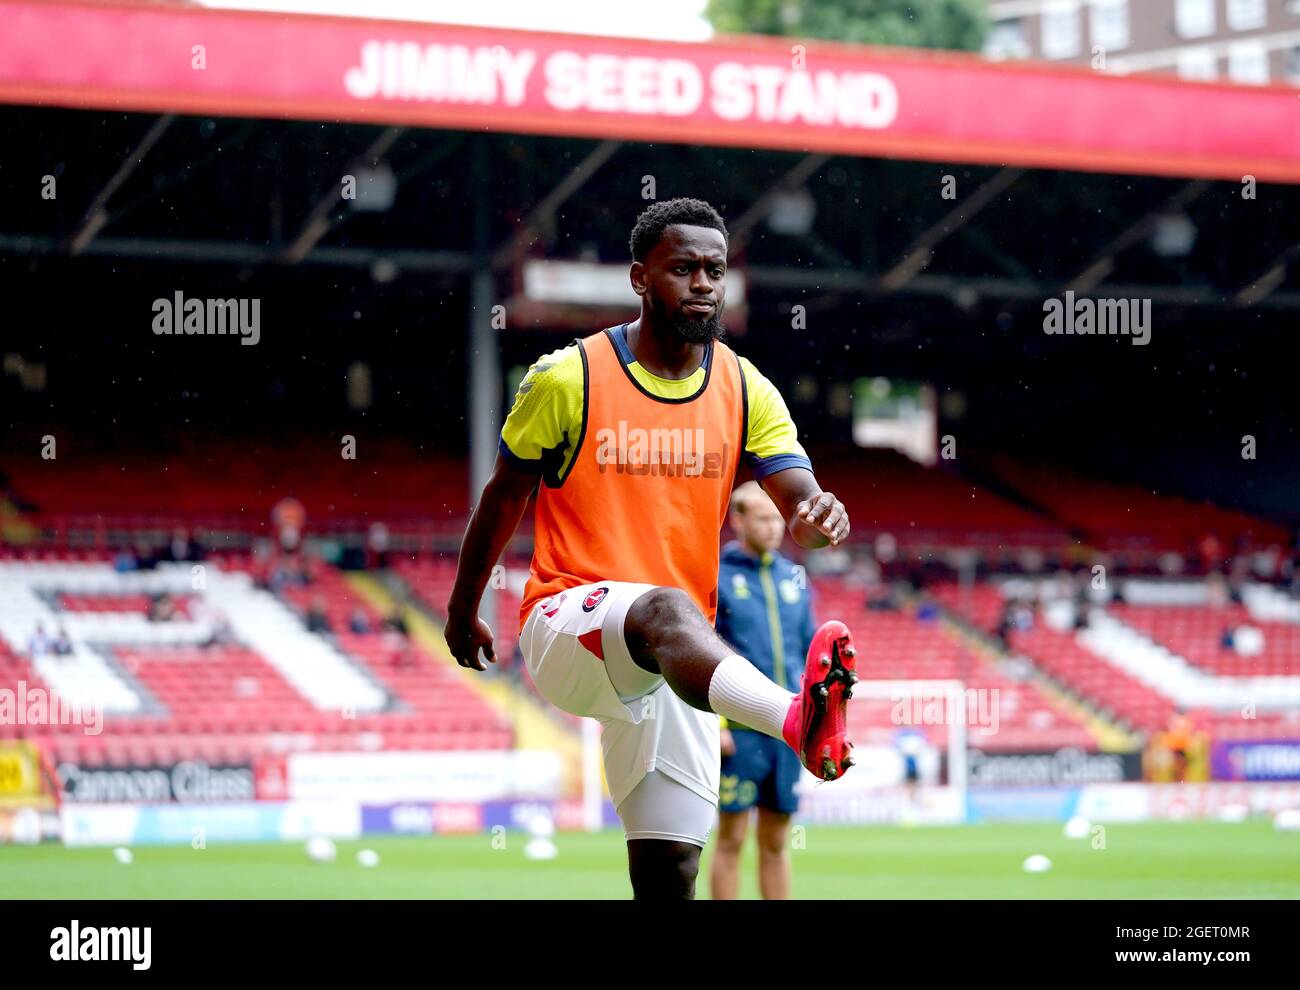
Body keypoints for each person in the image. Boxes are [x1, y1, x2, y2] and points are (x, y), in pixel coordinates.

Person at [445, 198, 857, 900]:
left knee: (671, 872)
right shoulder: (565, 377)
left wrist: (817, 516)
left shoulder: (743, 385)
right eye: (684, 269)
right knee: (666, 609)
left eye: (715, 271)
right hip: (568, 624)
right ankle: (798, 718)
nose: (703, 283)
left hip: (674, 658)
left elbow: (799, 501)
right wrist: (462, 608)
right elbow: (502, 497)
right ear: (640, 278)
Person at [709, 482, 816, 901]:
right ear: (738, 520)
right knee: (731, 838)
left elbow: (811, 653)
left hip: (787, 730)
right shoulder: (717, 573)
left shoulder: (794, 576)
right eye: (763, 518)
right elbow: (705, 651)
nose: (774, 527)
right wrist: (715, 723)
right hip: (739, 729)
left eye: (778, 518)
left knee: (775, 841)